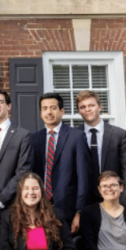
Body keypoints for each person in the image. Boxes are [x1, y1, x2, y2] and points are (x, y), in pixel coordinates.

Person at [28, 92, 87, 232]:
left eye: (53, 108)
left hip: (68, 210)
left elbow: (83, 177)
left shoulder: (76, 137)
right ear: (41, 113)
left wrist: (79, 212)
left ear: (62, 111)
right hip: (39, 208)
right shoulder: (34, 138)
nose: (49, 112)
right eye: (45, 108)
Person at [0, 89, 33, 220]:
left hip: (11, 207)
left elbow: (23, 172)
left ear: (8, 106)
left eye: (1, 102)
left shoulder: (22, 135)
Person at [76, 90, 126, 207]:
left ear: (100, 107)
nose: (87, 109)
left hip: (113, 200)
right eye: (83, 107)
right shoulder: (74, 136)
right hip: (84, 203)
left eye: (91, 105)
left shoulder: (119, 135)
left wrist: (123, 205)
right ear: (79, 111)